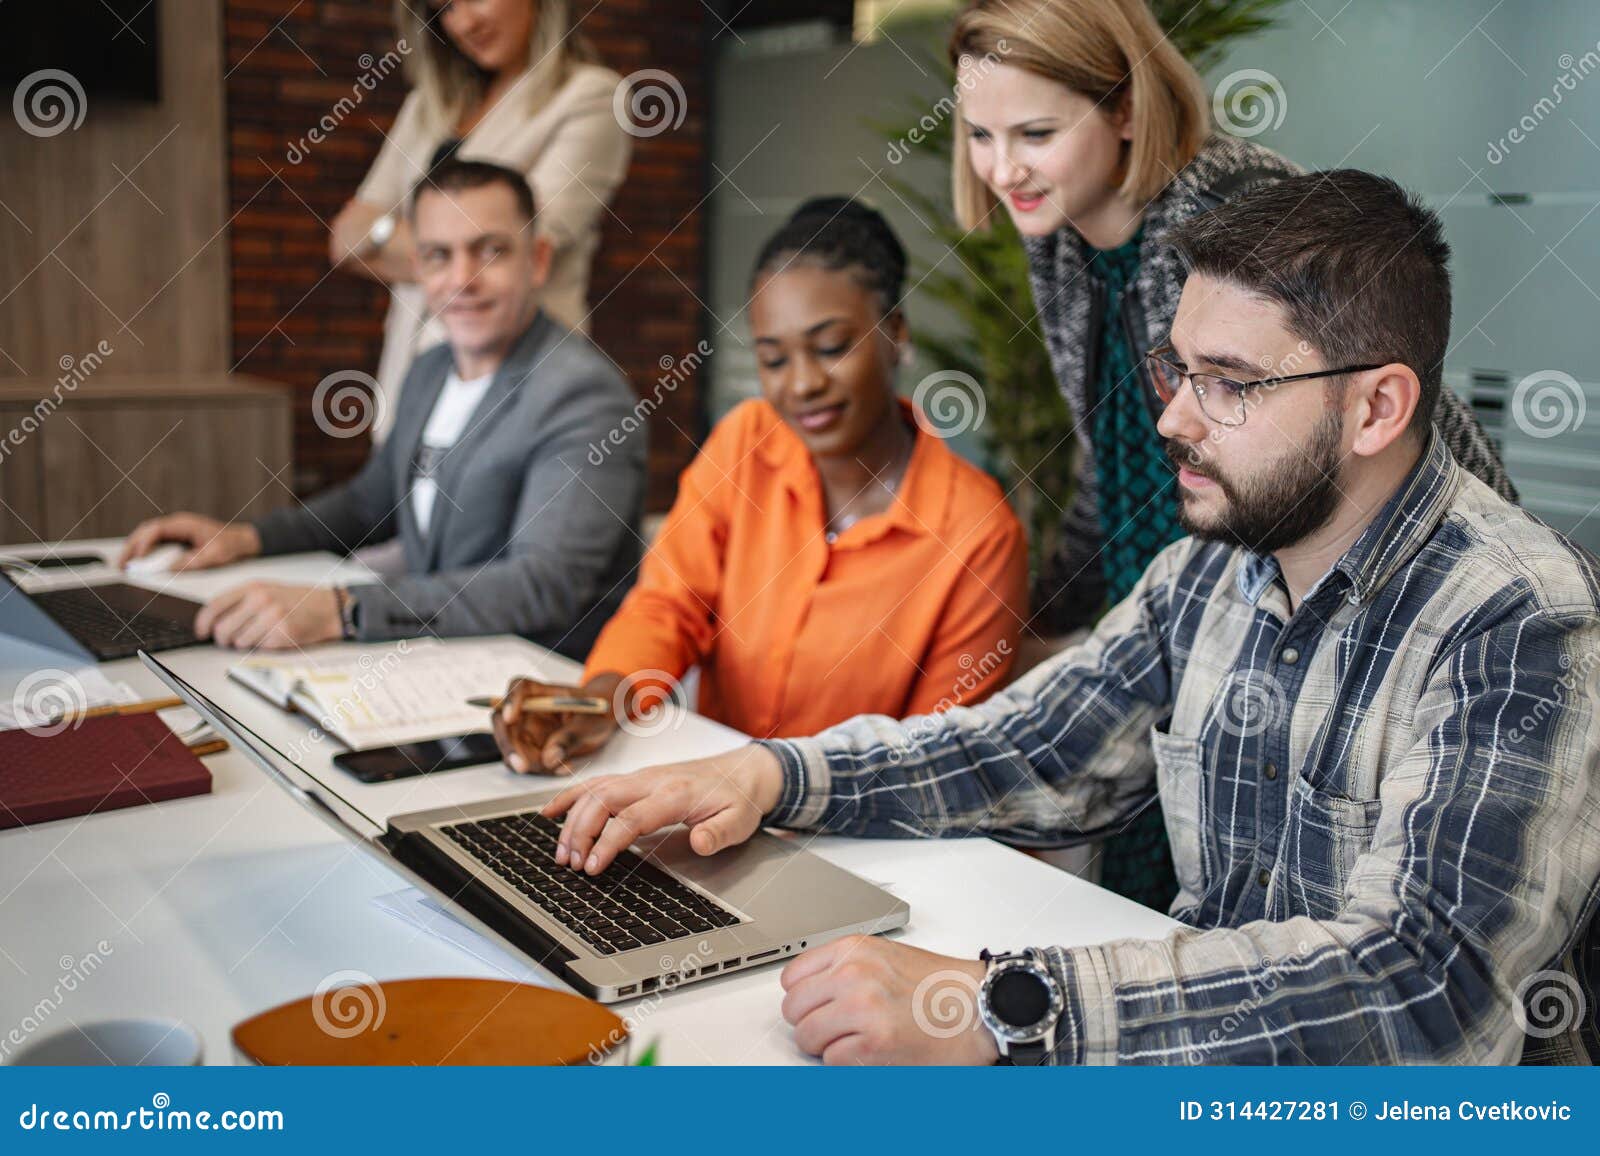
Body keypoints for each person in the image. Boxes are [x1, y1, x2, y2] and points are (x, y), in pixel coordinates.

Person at [536, 173, 1600, 1066]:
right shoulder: (1204, 574)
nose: (1172, 418)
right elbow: (1027, 748)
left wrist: (1003, 1007)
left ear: (1376, 407)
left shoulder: (1518, 618)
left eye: (1229, 385)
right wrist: (768, 775)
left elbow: (1420, 989)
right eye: (1177, 369)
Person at [947, 0, 1518, 911]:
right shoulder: (1059, 236)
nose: (1002, 167)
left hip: (1357, 593)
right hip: (1186, 590)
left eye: (1036, 133)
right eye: (979, 134)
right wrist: (1043, 617)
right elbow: (1113, 459)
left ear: (1126, 109)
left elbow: (1311, 465)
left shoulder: (1223, 219)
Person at [491, 198, 1028, 773]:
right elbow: (670, 607)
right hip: (706, 801)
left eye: (831, 348)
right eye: (773, 360)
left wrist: (772, 791)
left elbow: (932, 763)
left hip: (860, 822)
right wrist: (599, 702)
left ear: (895, 332)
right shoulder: (746, 440)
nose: (802, 384)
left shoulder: (977, 534)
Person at [118, 160, 644, 660]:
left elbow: (543, 585)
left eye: (490, 251)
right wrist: (244, 539)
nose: (463, 278)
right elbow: (370, 504)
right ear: (418, 269)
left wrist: (344, 610)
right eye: (439, 255)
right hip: (439, 659)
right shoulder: (430, 370)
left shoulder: (582, 395)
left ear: (539, 261)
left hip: (543, 681)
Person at [329, 0, 632, 439]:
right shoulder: (427, 106)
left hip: (517, 384)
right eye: (445, 7)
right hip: (406, 383)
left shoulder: (591, 97)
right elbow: (345, 239)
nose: (463, 23)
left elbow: (518, 248)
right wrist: (458, 247)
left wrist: (385, 238)